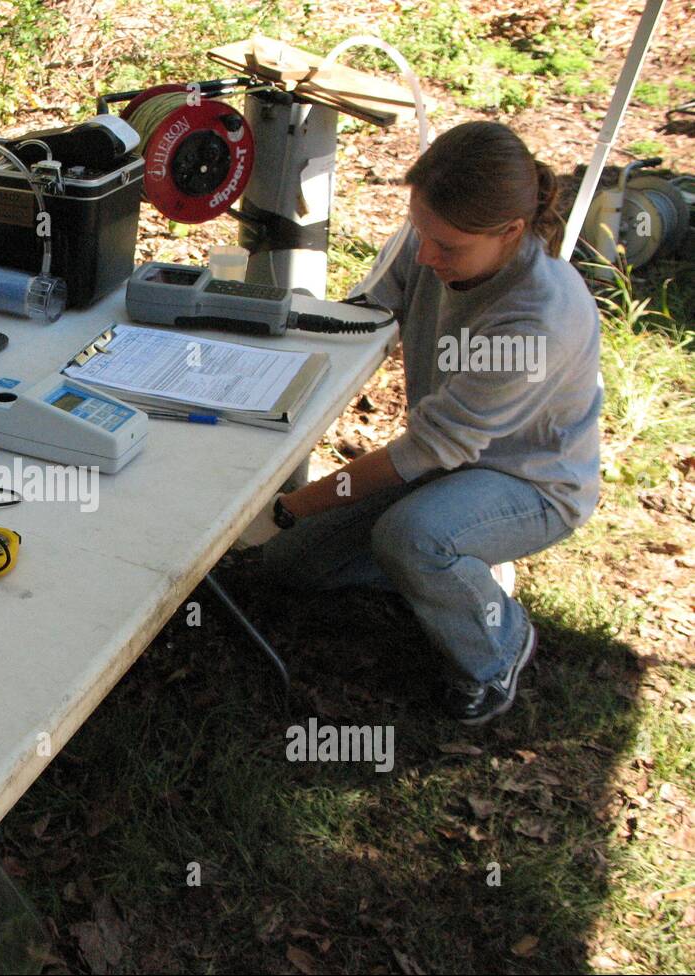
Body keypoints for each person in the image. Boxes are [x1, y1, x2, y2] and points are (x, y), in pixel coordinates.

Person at [256, 121, 602, 726]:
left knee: (412, 536)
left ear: (512, 233)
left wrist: (291, 505)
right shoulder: (433, 239)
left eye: (448, 247)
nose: (425, 256)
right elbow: (358, 326)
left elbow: (423, 451)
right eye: (421, 232)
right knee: (290, 564)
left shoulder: (537, 321)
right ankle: (449, 572)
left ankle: (497, 648)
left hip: (531, 484)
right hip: (450, 465)